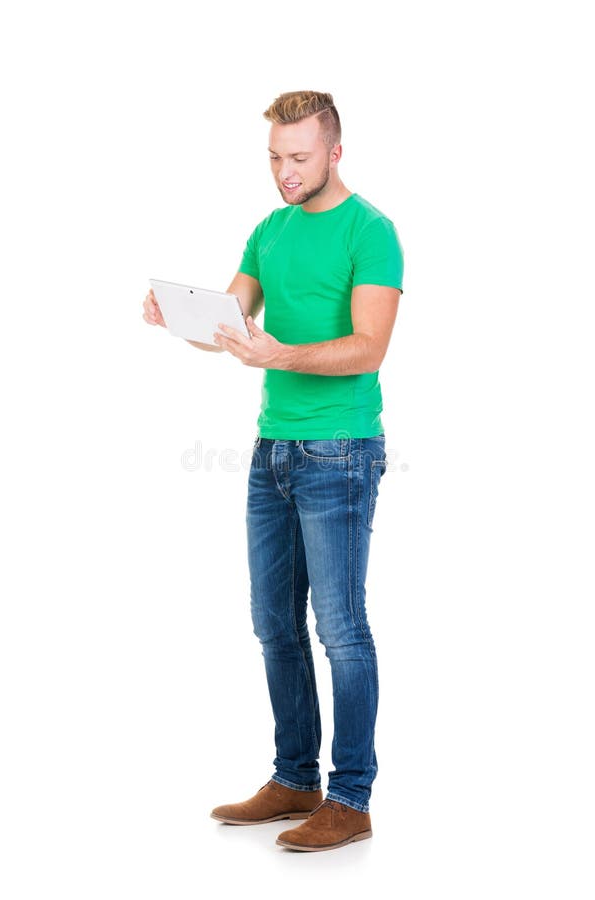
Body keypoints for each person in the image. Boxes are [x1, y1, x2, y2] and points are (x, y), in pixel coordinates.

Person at [142, 90, 404, 852]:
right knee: (272, 625)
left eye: (299, 158)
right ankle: (295, 778)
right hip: (273, 450)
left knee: (342, 629)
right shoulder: (269, 229)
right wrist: (181, 320)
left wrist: (278, 352)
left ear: (335, 153)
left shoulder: (371, 231)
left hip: (341, 450)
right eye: (275, 158)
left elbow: (369, 347)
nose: (285, 173)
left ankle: (350, 798)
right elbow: (231, 323)